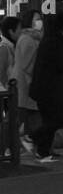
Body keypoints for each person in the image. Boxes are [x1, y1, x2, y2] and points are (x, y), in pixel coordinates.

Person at [29, 10, 63, 164]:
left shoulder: (47, 39)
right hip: (50, 89)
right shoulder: (57, 40)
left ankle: (44, 151)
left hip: (41, 87)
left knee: (50, 119)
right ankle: (33, 138)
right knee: (55, 119)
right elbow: (59, 65)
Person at [13, 10, 42, 157]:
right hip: (25, 85)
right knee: (24, 116)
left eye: (40, 18)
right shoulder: (27, 39)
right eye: (36, 19)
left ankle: (28, 145)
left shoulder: (30, 38)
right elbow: (26, 64)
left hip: (27, 86)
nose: (39, 22)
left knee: (27, 117)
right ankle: (17, 145)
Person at [0, 16, 18, 165]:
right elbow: (2, 71)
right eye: (19, 30)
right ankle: (6, 149)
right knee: (7, 121)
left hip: (7, 91)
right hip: (6, 91)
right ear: (11, 31)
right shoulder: (5, 47)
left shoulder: (8, 46)